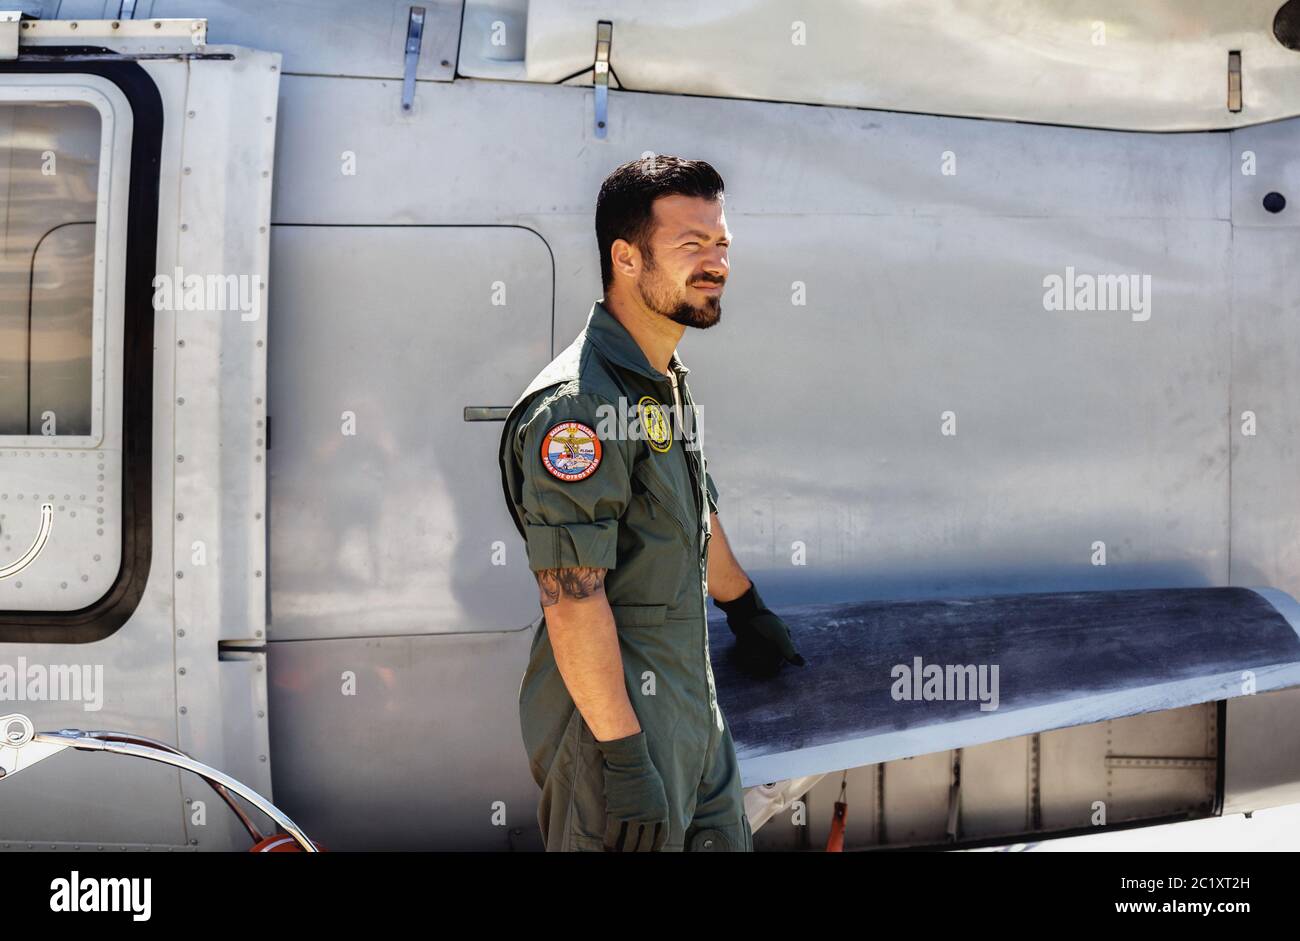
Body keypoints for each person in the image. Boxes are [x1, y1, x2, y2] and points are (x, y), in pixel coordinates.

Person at [498, 154, 805, 852]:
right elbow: (571, 597)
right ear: (627, 258)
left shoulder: (662, 384)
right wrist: (625, 756)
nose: (716, 262)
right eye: (691, 245)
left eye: (721, 242)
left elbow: (695, 516)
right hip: (616, 732)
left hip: (694, 716)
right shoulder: (579, 406)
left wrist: (745, 606)